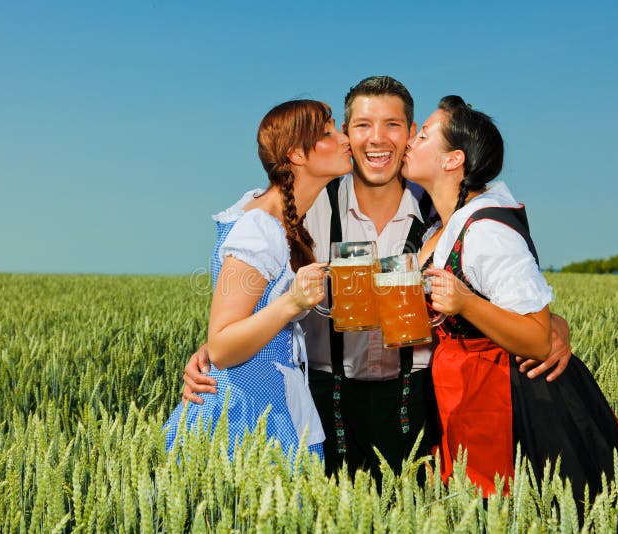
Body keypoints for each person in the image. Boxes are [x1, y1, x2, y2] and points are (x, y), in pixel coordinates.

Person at [180, 77, 575, 481]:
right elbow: (250, 283)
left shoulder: (445, 208)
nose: (376, 139)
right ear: (348, 136)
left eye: (393, 125)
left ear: (410, 135)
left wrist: (554, 326)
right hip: (323, 398)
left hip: (417, 399)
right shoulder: (308, 207)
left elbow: (507, 275)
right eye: (362, 125)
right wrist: (215, 351)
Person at [403, 95, 618, 506]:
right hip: (463, 390)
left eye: (422, 135)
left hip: (515, 401)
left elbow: (537, 339)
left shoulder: (487, 230)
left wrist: (467, 304)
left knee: (521, 508)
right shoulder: (441, 226)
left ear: (452, 160)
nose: (409, 142)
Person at [163, 99, 353, 462]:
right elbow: (221, 346)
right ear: (297, 154)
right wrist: (292, 304)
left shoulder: (281, 221)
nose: (344, 139)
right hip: (244, 416)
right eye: (329, 132)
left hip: (267, 402)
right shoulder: (259, 228)